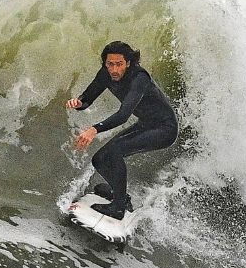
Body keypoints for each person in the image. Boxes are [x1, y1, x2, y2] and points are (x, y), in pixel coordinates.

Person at [65, 41, 179, 219]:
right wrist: (79, 103)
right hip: (145, 123)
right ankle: (122, 197)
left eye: (119, 64)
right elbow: (87, 98)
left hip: (165, 128)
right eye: (110, 64)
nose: (114, 70)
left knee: (115, 152)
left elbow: (124, 114)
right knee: (100, 159)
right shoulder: (105, 74)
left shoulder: (139, 77)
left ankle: (118, 208)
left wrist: (94, 130)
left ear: (128, 63)